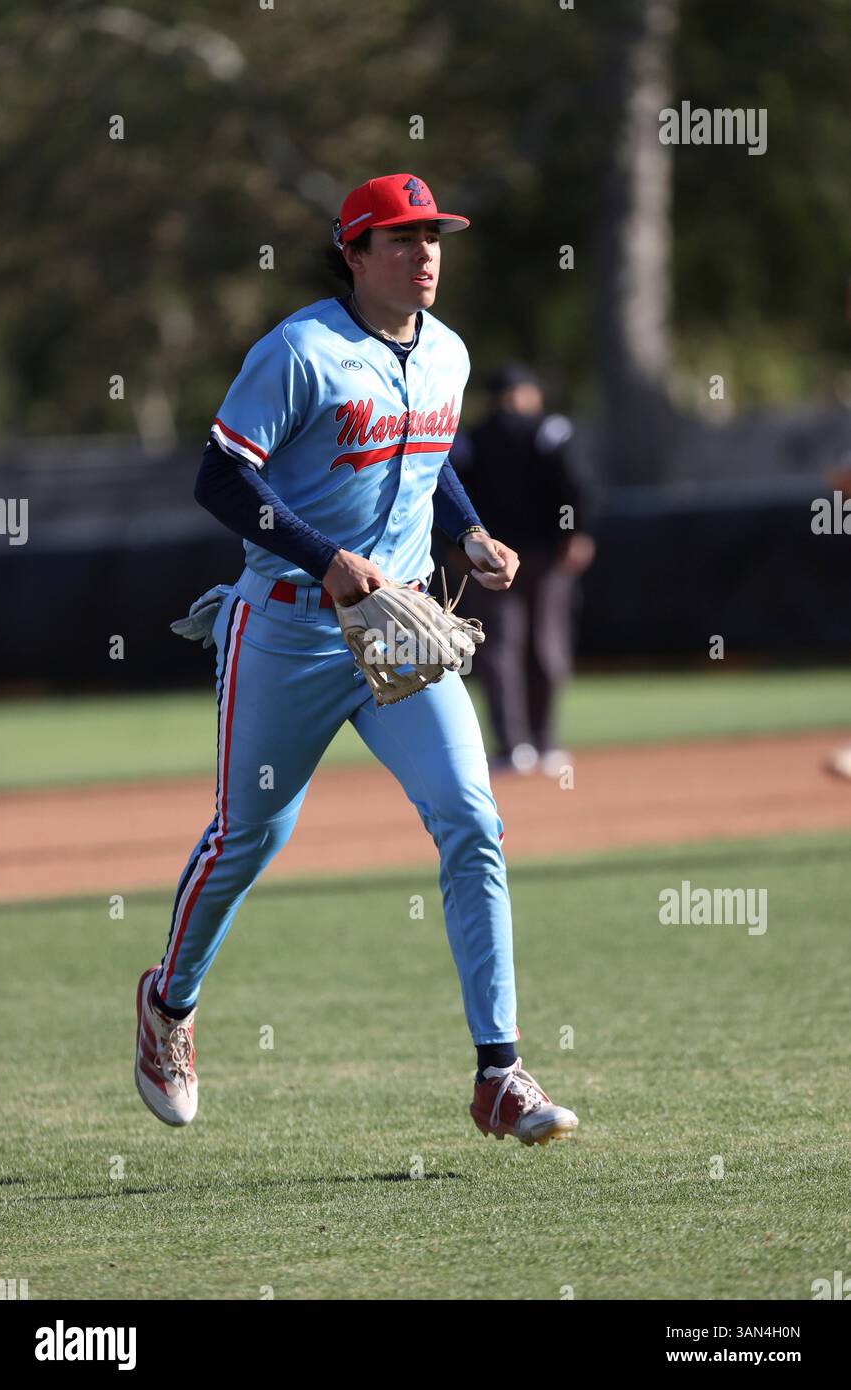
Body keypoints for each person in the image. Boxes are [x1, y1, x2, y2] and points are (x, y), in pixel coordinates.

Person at [134, 173, 578, 1147]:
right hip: (287, 629)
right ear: (355, 253)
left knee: (471, 817)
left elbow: (431, 464)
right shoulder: (299, 351)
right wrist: (323, 559)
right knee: (247, 837)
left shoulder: (449, 352)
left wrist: (466, 536)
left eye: (433, 236)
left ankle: (498, 1072)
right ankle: (169, 1003)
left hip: (397, 626)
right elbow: (219, 474)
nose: (424, 252)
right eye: (401, 237)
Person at [449, 363, 595, 776]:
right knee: (520, 649)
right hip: (512, 556)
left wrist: (573, 534)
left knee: (516, 649)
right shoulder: (539, 431)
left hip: (519, 555)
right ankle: (527, 744)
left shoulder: (478, 438)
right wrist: (576, 533)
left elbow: (571, 487)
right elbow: (576, 486)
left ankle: (524, 745)